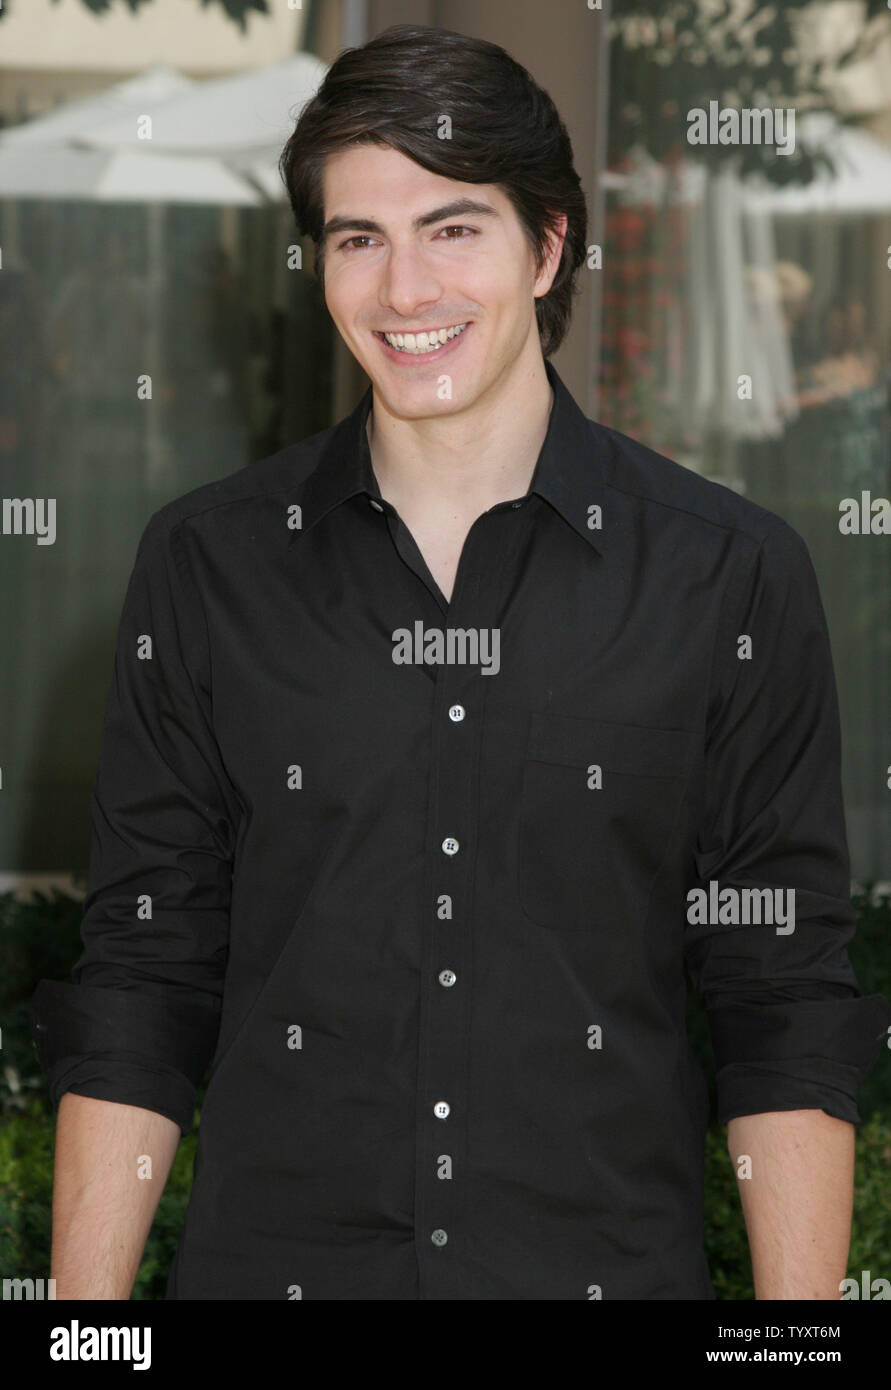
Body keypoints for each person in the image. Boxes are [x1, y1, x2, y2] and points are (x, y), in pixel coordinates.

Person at [29, 24, 890, 1301]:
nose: (404, 291)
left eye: (452, 227)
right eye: (358, 238)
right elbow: (146, 975)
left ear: (547, 248)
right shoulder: (206, 567)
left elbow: (785, 1000)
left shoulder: (729, 576)